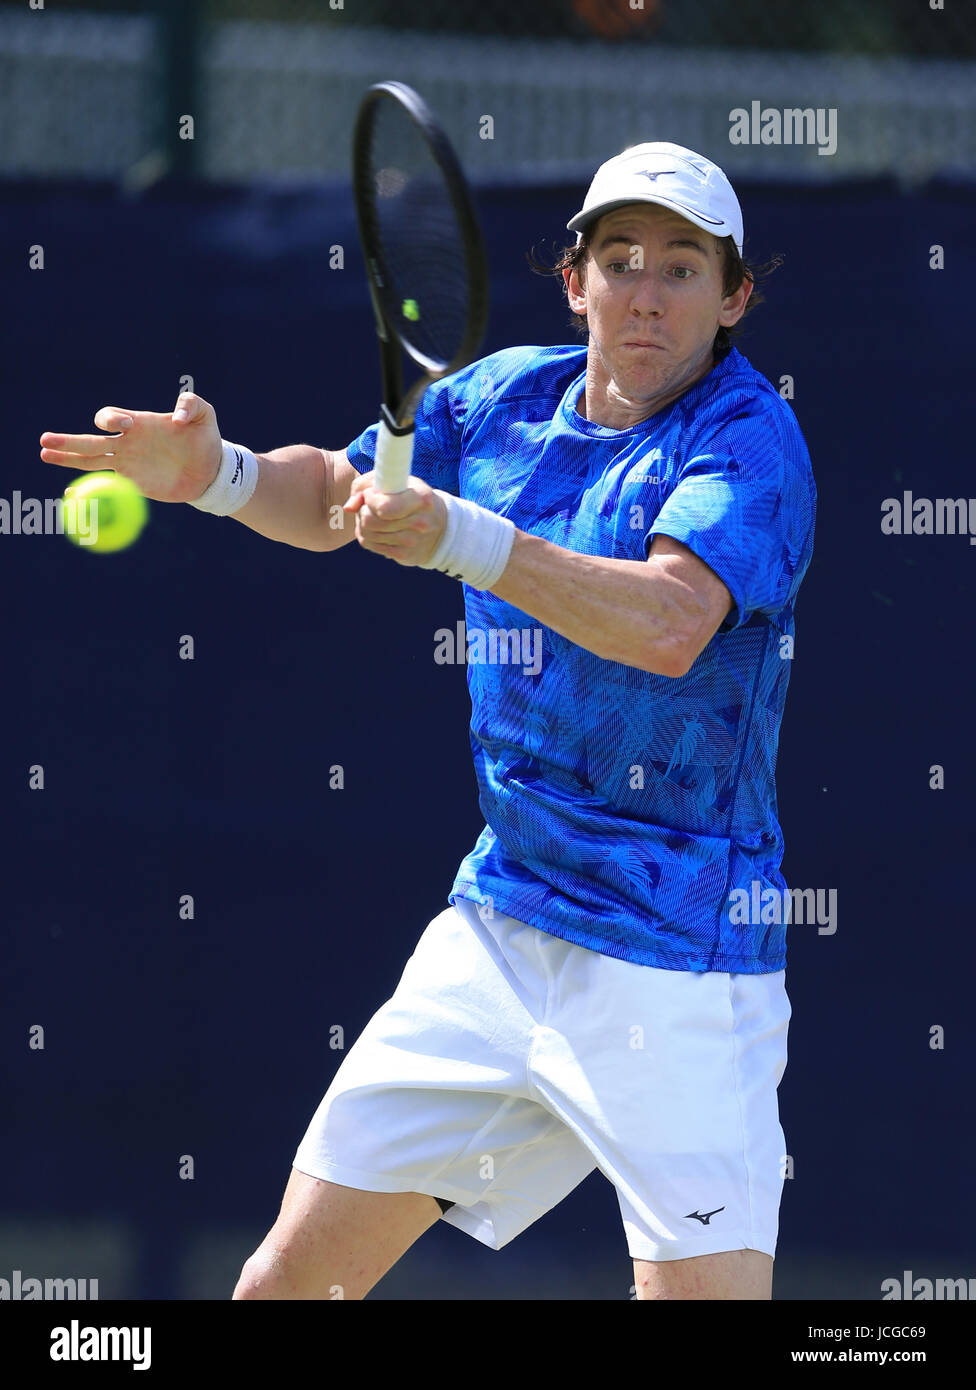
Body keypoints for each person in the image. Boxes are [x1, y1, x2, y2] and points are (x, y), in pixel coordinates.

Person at [39, 142, 816, 1301]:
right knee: (284, 1290)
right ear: (574, 281)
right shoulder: (494, 399)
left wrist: (464, 536)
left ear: (734, 295)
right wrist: (221, 474)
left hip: (679, 957)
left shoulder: (748, 441)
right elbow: (338, 501)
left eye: (683, 267)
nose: (646, 292)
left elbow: (666, 624)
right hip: (501, 926)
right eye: (618, 260)